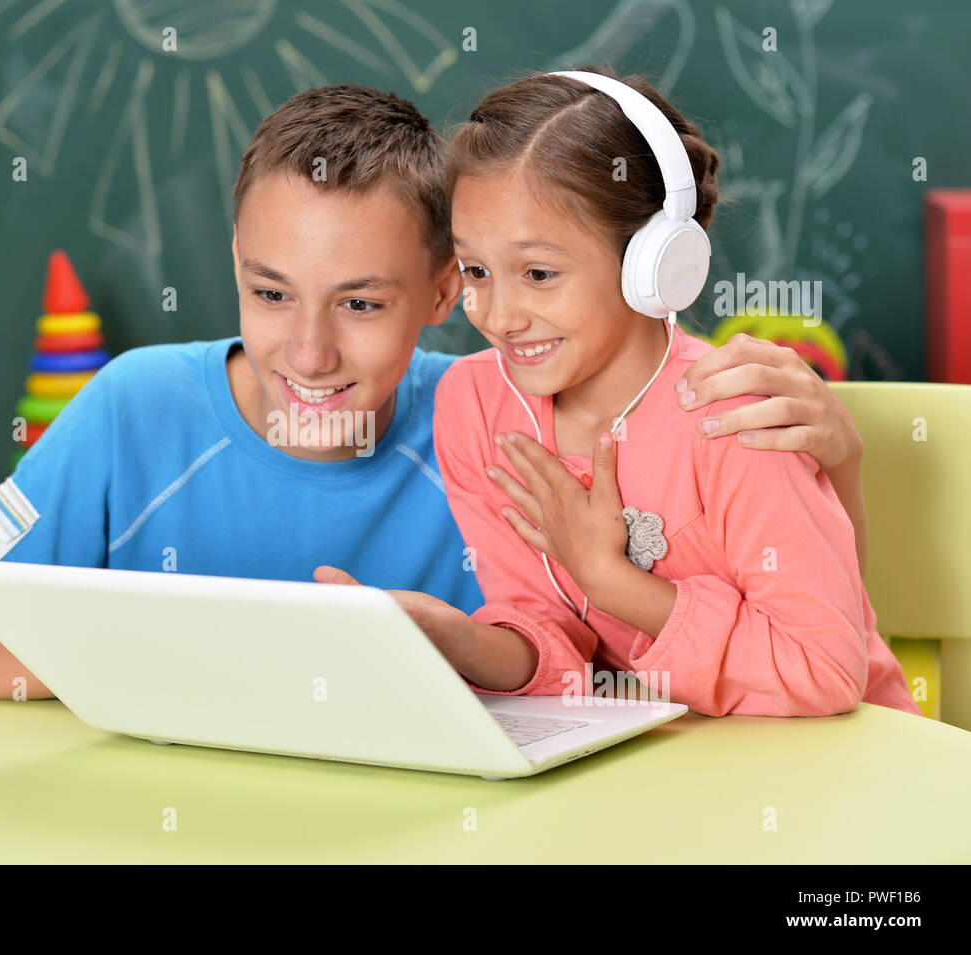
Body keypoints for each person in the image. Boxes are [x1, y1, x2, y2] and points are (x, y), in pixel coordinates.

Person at [0, 82, 884, 719]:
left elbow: (797, 637)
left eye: (360, 301)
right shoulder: (131, 411)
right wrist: (136, 666)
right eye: (268, 291)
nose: (307, 349)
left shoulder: (490, 415)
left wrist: (837, 454)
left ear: (439, 293)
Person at [322, 67, 917, 717]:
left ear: (651, 264)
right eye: (476, 270)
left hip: (829, 769)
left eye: (539, 272)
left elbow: (824, 673)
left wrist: (612, 581)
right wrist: (458, 639)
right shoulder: (476, 406)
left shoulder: (734, 414)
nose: (498, 314)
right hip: (652, 775)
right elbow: (553, 639)